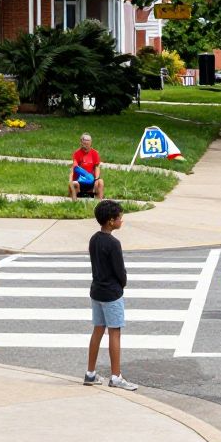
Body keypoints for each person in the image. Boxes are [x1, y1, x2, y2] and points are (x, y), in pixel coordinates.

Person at [84, 200, 137, 390]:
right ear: (110, 221)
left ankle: (90, 373)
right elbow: (119, 271)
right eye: (119, 218)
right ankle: (116, 376)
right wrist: (122, 284)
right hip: (112, 293)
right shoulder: (114, 243)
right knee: (115, 332)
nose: (121, 221)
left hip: (96, 290)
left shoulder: (94, 239)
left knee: (98, 329)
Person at [69, 132, 104, 200]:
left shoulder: (95, 153)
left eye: (88, 144)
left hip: (91, 180)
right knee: (74, 184)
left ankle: (99, 202)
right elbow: (74, 167)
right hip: (80, 180)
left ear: (91, 143)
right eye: (84, 144)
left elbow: (97, 167)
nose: (86, 146)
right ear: (81, 143)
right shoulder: (77, 153)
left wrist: (96, 179)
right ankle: (74, 204)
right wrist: (70, 180)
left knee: (101, 182)